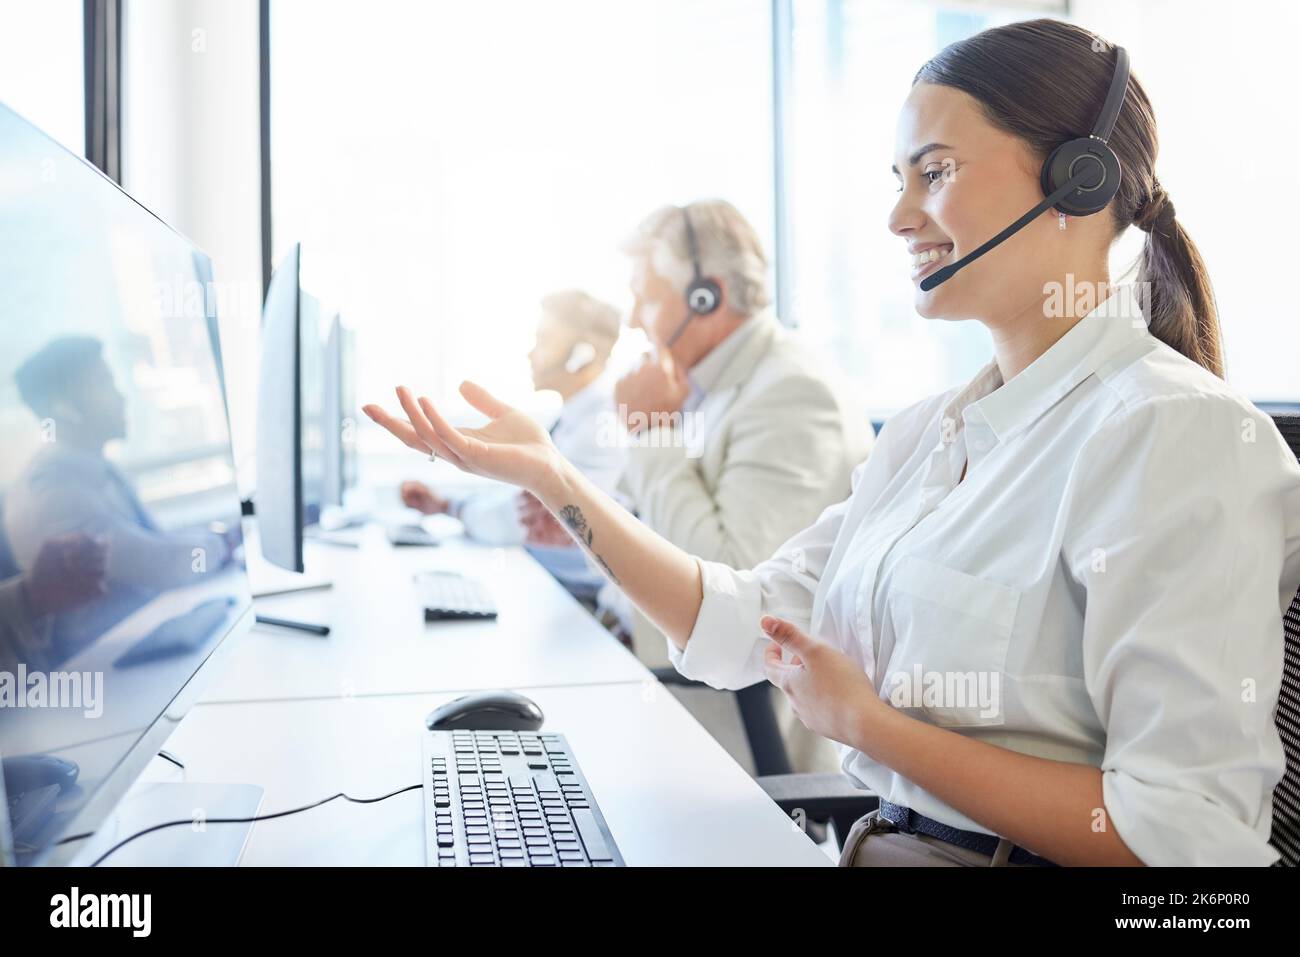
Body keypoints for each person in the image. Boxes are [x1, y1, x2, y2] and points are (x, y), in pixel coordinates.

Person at [365, 19, 1300, 866]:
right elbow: (737, 625)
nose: (899, 218)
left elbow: (1187, 842)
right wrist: (555, 473)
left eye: (935, 173)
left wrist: (869, 724)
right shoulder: (930, 439)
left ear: (1077, 180)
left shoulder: (1175, 435)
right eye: (899, 182)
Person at [520, 200, 873, 774]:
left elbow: (728, 595)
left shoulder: (792, 394)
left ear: (706, 296)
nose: (633, 319)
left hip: (730, 740)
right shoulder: (706, 385)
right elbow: (672, 537)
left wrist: (651, 432)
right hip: (661, 691)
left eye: (646, 296)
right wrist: (586, 535)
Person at [5, 337, 235, 661]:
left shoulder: (96, 469)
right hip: (108, 668)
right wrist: (225, 542)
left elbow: (155, 540)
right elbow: (161, 564)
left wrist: (219, 538)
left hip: (147, 638)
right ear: (63, 407)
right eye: (103, 384)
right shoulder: (54, 496)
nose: (121, 397)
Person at [399, 290, 625, 600]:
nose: (531, 353)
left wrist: (447, 508)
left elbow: (513, 521)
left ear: (581, 355)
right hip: (556, 586)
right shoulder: (574, 416)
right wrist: (447, 502)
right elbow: (513, 494)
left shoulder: (601, 427)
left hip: (579, 598)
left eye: (544, 340)